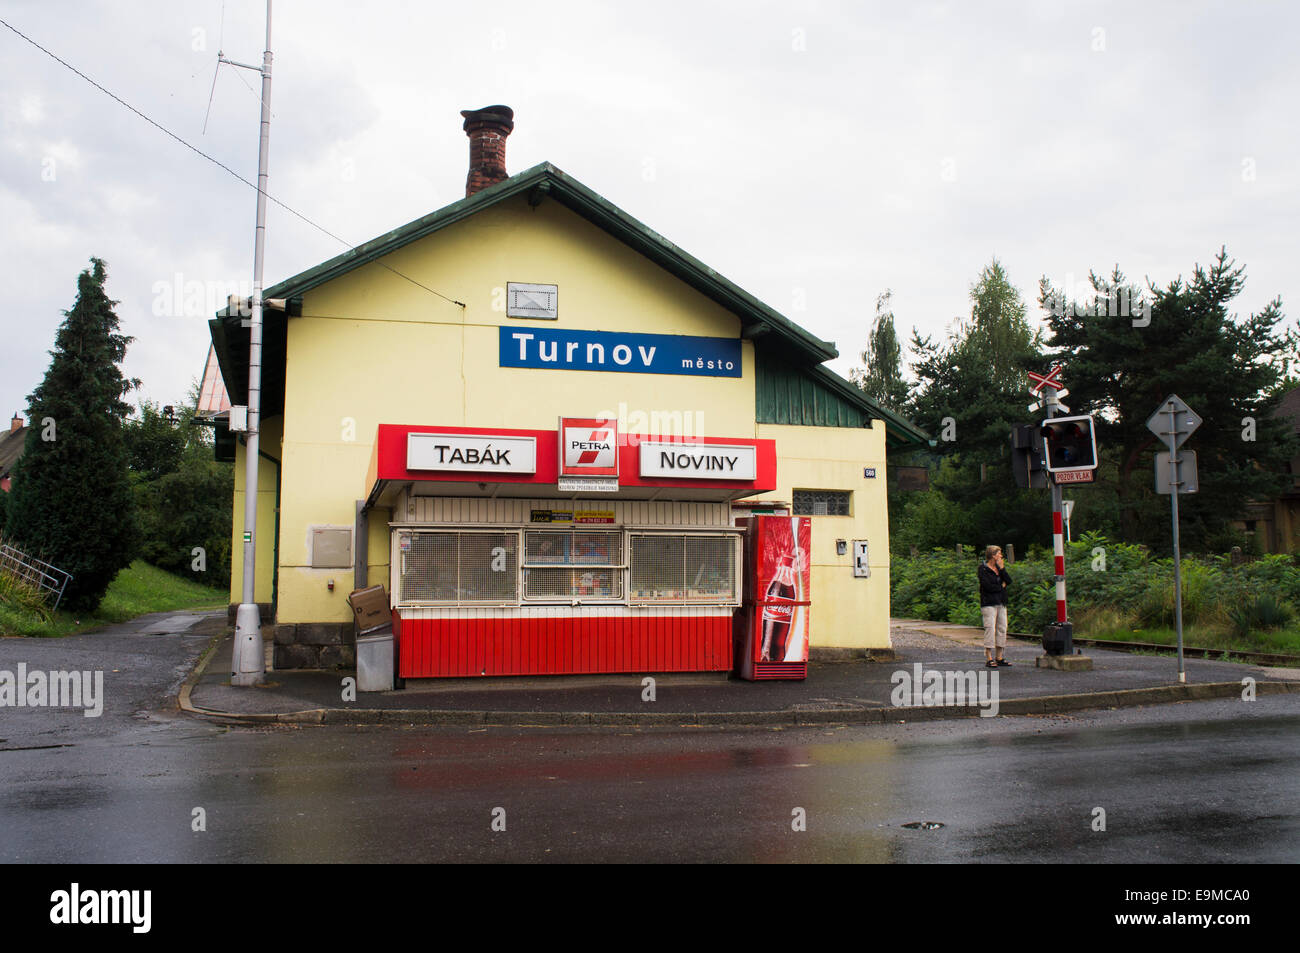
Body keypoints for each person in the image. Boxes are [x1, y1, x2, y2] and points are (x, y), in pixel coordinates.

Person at [978, 545, 1012, 668]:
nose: (1001, 556)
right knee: (990, 628)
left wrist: (1002, 569)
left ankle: (999, 656)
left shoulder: (999, 567)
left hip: (1001, 602)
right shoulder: (983, 569)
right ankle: (989, 657)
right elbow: (987, 586)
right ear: (993, 555)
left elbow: (1009, 580)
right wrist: (1001, 587)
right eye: (999, 553)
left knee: (1002, 628)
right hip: (989, 603)